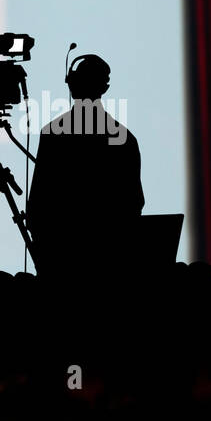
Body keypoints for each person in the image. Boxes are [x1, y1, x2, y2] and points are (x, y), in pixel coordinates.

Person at [26, 54, 144, 277]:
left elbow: (37, 205)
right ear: (104, 88)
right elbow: (133, 204)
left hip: (60, 261)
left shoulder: (52, 134)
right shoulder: (125, 138)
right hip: (109, 262)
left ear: (71, 83)